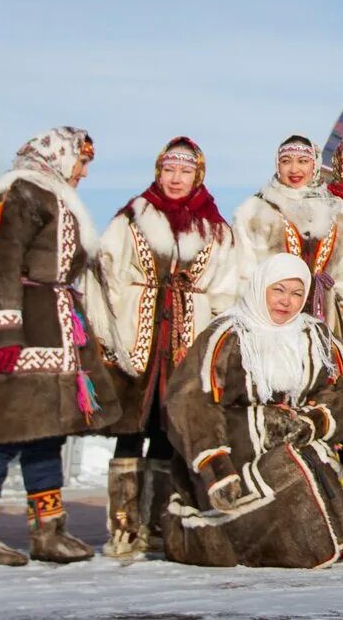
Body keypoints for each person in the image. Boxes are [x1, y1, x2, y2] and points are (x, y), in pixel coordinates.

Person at [0, 126, 121, 567]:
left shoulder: (50, 195)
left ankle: (49, 533)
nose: (82, 172)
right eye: (79, 162)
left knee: (45, 434)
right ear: (58, 156)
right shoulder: (21, 193)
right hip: (19, 330)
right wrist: (5, 329)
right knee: (1, 434)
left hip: (51, 330)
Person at [160, 252, 343, 568]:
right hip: (233, 449)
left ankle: (313, 540)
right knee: (291, 469)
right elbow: (190, 401)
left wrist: (314, 422)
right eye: (278, 290)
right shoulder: (226, 334)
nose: (287, 301)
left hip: (294, 441)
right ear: (260, 288)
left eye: (298, 294)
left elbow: (339, 388)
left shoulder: (316, 335)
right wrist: (218, 465)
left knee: (312, 458)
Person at [92, 137, 240, 559]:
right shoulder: (132, 218)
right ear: (158, 173)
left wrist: (216, 347)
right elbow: (106, 274)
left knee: (166, 433)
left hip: (186, 339)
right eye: (169, 171)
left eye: (185, 172)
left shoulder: (215, 228)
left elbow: (225, 291)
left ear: (198, 176)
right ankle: (123, 527)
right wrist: (111, 330)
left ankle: (157, 524)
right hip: (136, 339)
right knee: (128, 432)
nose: (176, 179)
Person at [235, 135, 343, 341]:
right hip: (272, 318)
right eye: (286, 161)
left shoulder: (341, 214)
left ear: (315, 165)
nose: (294, 170)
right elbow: (245, 272)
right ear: (278, 165)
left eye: (303, 161)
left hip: (327, 319)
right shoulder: (257, 211)